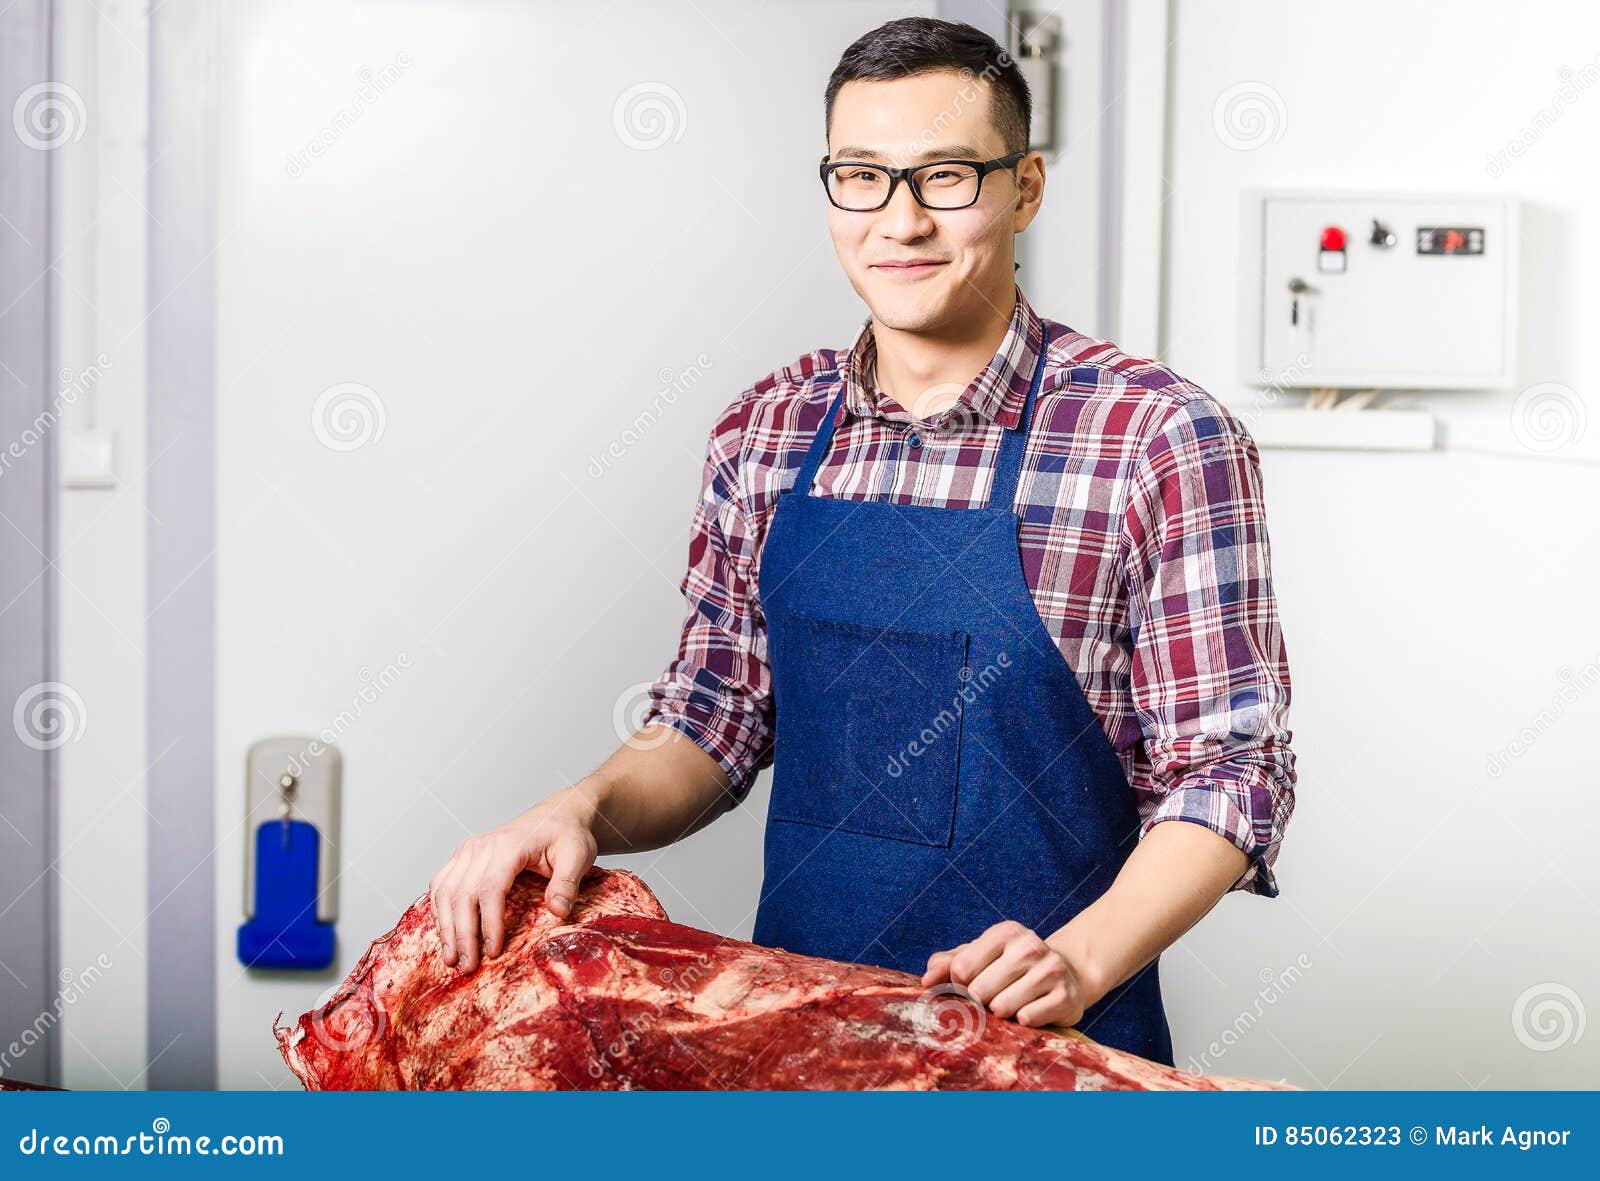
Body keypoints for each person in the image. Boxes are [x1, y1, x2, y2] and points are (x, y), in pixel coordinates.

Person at [427, 16, 1297, 1066]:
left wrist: (1074, 959)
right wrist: (580, 806)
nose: (902, 220)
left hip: (1058, 1054)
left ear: (1024, 188)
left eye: (945, 176)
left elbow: (1228, 772)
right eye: (862, 177)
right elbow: (716, 714)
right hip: (796, 1057)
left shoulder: (1155, 438)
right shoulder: (770, 430)